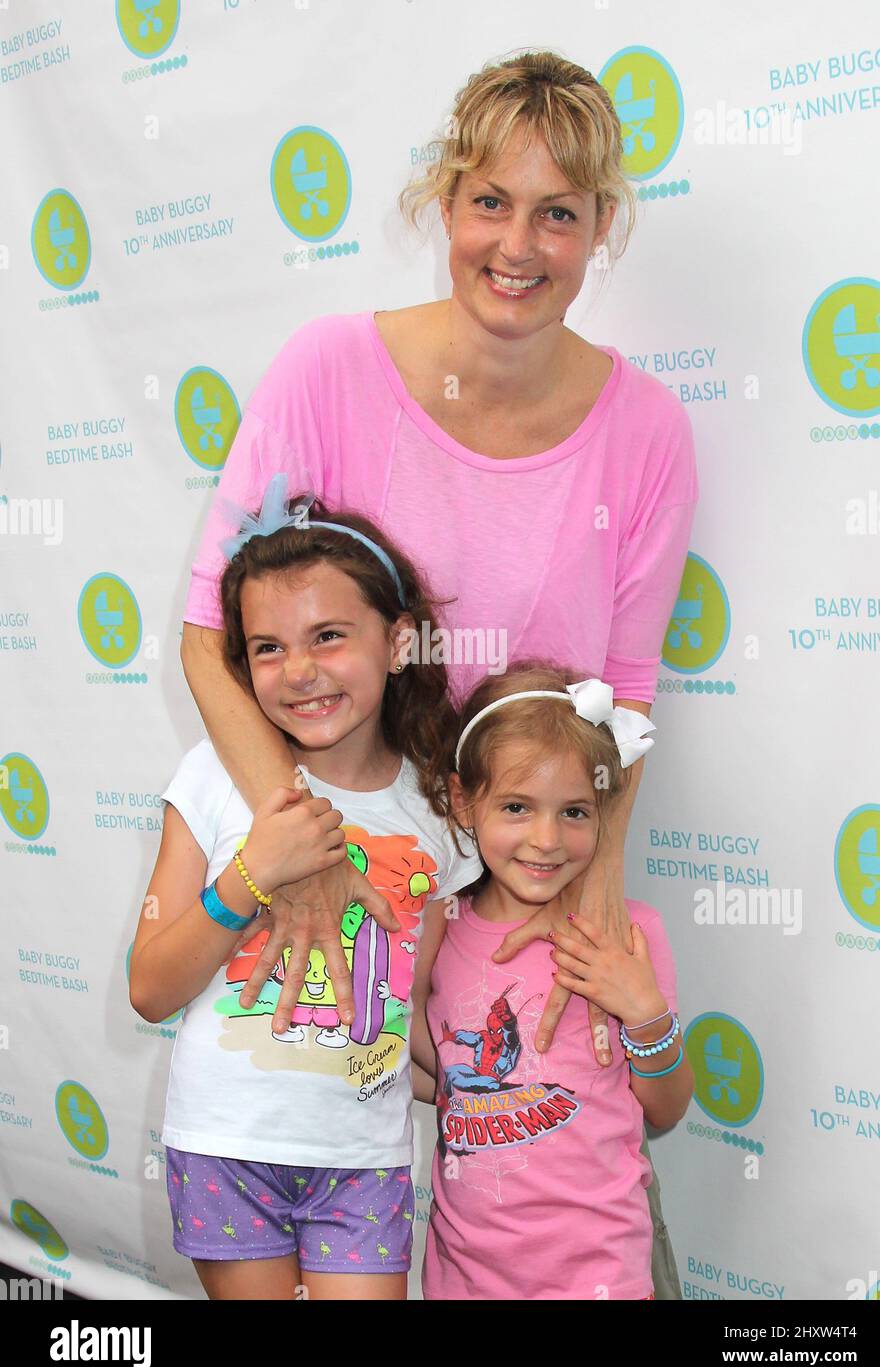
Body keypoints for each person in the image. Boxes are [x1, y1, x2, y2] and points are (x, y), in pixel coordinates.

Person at [178, 50, 698, 1297]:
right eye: (489, 202)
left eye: (558, 212)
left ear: (600, 229)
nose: (517, 246)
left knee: (545, 1207)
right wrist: (296, 849)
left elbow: (625, 707)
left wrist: (586, 923)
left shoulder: (650, 433)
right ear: (442, 203)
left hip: (523, 881)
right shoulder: (325, 370)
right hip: (345, 894)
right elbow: (208, 632)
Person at [129, 481, 482, 1300]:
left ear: (398, 643)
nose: (300, 672)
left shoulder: (440, 812)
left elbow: (413, 1001)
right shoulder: (212, 778)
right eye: (266, 648)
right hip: (224, 1141)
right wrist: (253, 876)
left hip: (363, 1160)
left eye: (328, 635)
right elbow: (151, 988)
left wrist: (492, 1092)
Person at [411, 662, 695, 1300]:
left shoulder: (627, 934)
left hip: (601, 1278)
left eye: (574, 811)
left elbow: (669, 1107)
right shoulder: (443, 931)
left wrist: (643, 1011)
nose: (546, 839)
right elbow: (441, 1081)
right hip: (463, 1279)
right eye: (517, 807)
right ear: (463, 801)